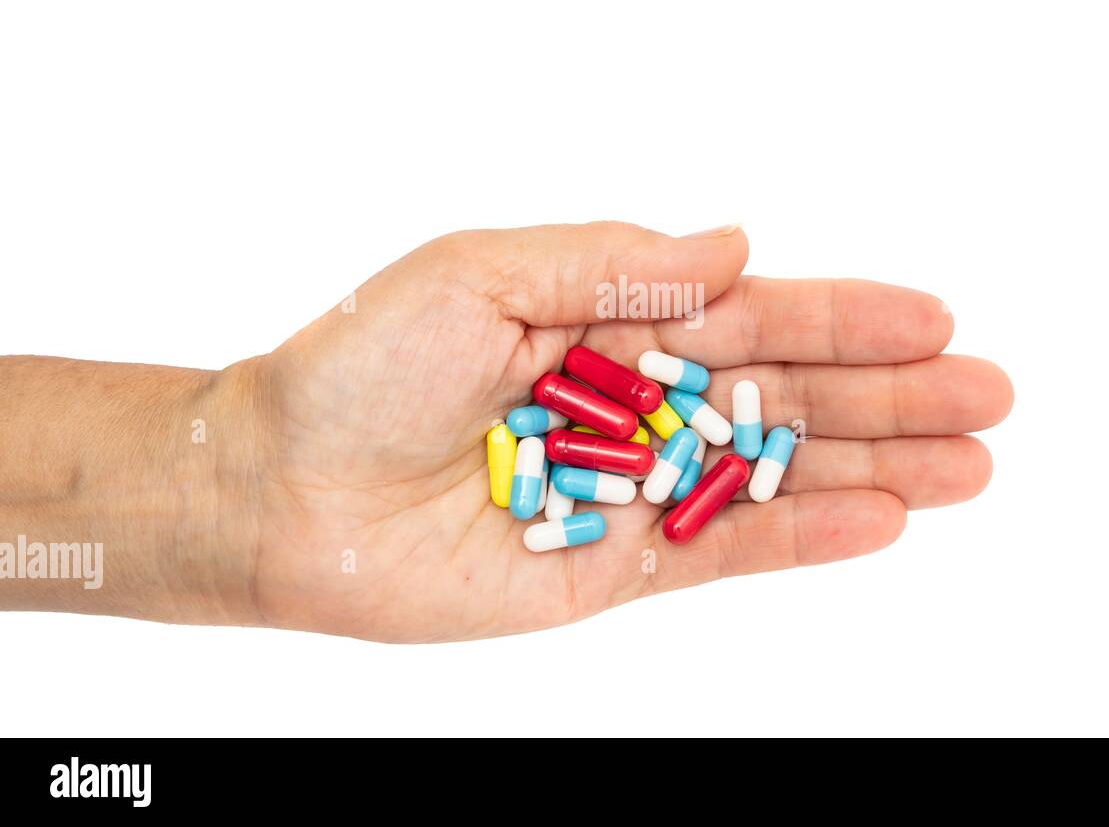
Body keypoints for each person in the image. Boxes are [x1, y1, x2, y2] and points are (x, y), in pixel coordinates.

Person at [0, 222, 1012, 642]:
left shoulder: (643, 436)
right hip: (592, 463)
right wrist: (247, 467)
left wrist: (249, 469)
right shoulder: (623, 435)